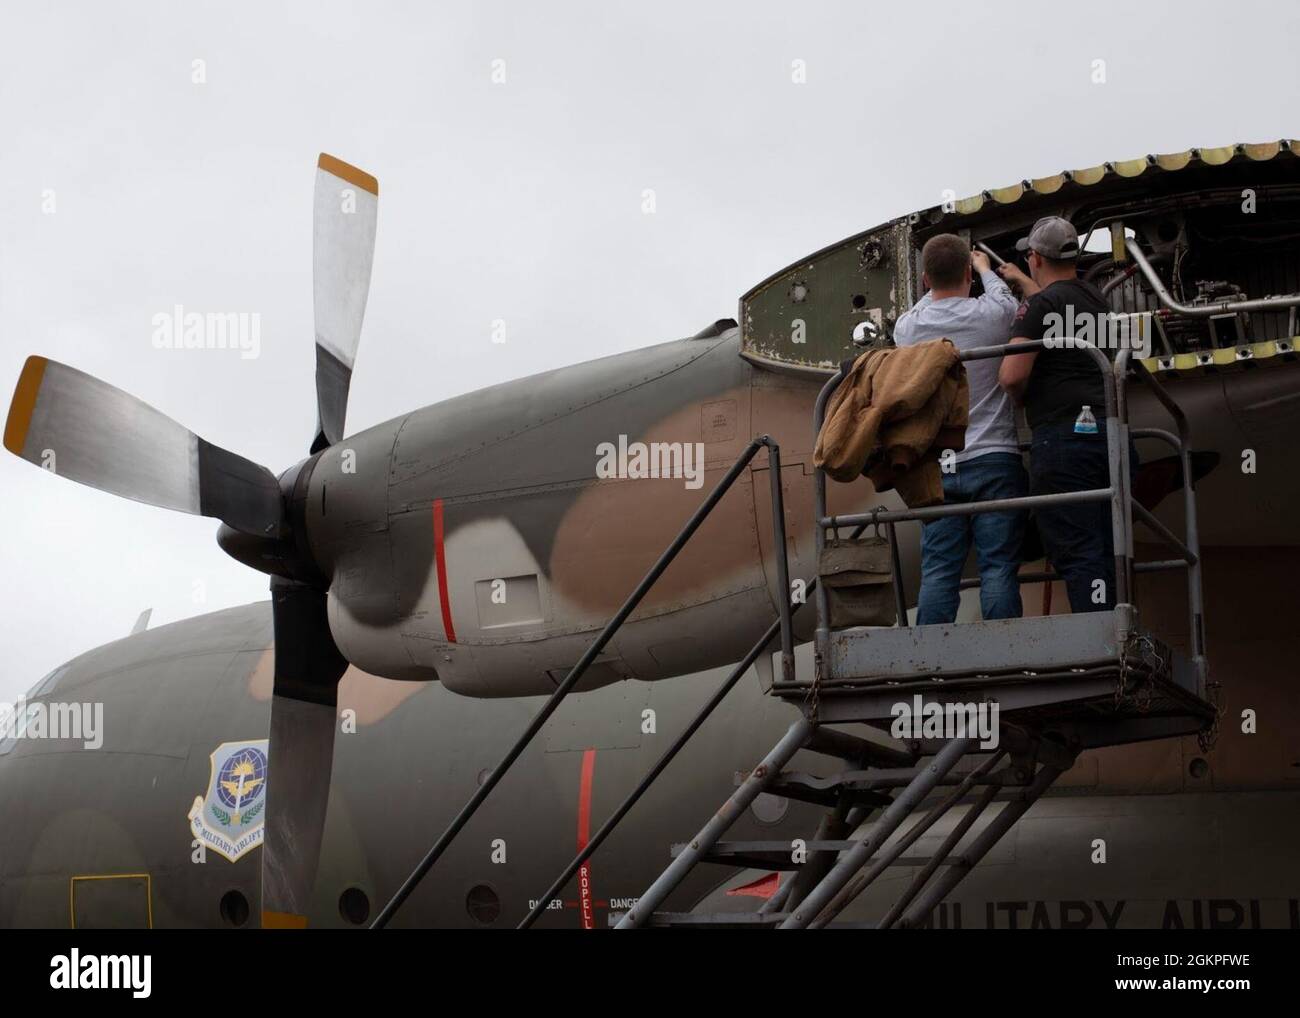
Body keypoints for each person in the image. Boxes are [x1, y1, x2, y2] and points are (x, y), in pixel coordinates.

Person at [996, 216, 1130, 613]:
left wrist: (1021, 398)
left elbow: (1011, 376)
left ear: (1035, 257)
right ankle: (1117, 630)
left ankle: (1101, 641)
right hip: (1111, 438)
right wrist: (1023, 281)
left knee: (1077, 549)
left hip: (1064, 442)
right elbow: (1058, 308)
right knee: (1109, 547)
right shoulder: (1097, 301)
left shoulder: (1039, 305)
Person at [894, 233, 1025, 625]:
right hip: (995, 457)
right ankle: (1007, 652)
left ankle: (930, 660)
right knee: (999, 567)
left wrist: (933, 283)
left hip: (940, 466)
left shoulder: (909, 329)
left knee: (939, 570)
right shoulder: (995, 315)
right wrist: (984, 269)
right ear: (968, 272)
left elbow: (918, 309)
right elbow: (1006, 298)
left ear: (924, 280)